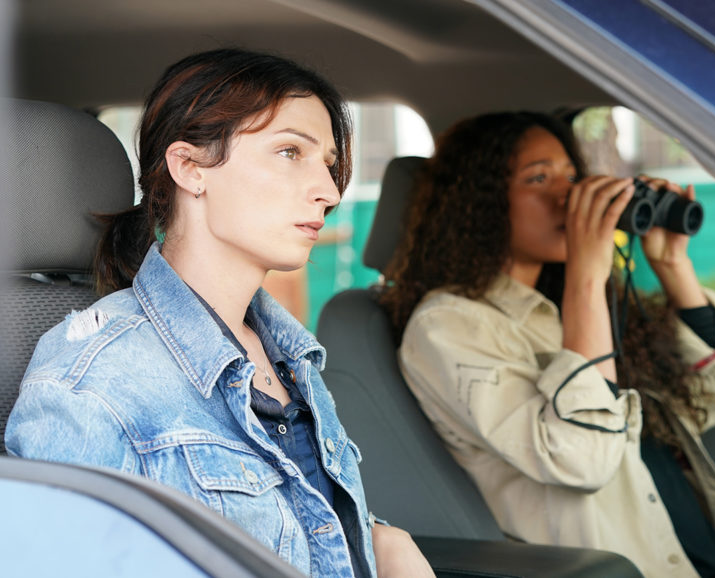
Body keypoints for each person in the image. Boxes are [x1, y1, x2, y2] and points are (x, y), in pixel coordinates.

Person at [5, 48, 433, 578]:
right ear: (189, 168)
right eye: (289, 152)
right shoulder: (94, 382)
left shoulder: (291, 357)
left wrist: (378, 541)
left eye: (327, 162)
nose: (328, 191)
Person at [380, 111, 715, 578]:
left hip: (700, 555)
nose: (568, 196)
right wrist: (586, 276)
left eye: (572, 176)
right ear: (481, 203)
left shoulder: (565, 305)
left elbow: (712, 401)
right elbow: (583, 459)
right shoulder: (449, 327)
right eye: (539, 178)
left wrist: (672, 265)